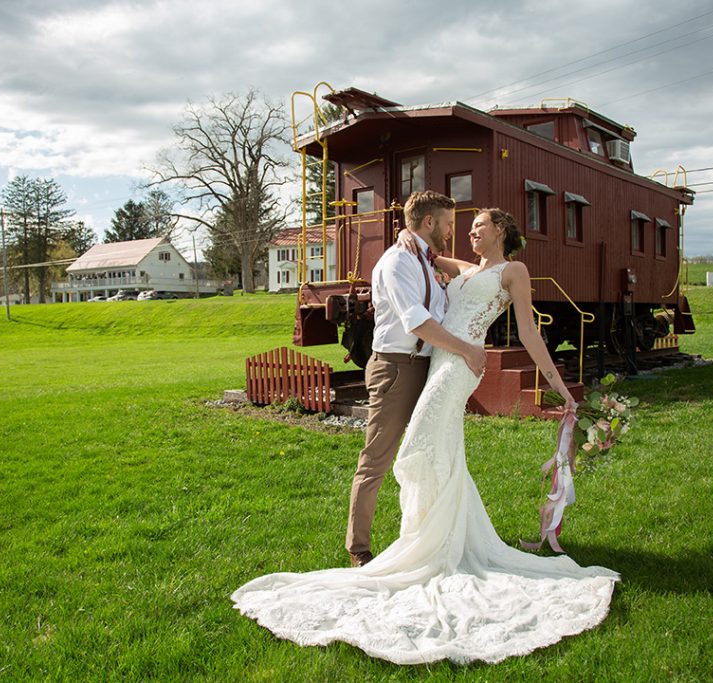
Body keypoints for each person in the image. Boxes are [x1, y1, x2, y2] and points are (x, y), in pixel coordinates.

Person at [232, 208, 619, 665]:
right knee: (440, 450)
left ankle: (429, 545)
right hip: (441, 359)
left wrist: (560, 388)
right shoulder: (465, 269)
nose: (471, 231)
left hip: (459, 365)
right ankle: (436, 538)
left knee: (416, 448)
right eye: (467, 226)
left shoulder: (514, 270)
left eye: (480, 226)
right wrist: (404, 238)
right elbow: (420, 247)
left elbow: (530, 333)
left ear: (502, 231)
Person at [344, 190, 486, 568]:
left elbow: (475, 275)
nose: (451, 232)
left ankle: (431, 538)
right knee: (377, 458)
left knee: (431, 453)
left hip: (427, 367)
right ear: (429, 223)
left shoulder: (425, 260)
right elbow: (418, 322)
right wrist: (466, 350)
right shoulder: (397, 263)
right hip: (396, 369)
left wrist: (433, 254)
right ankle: (359, 549)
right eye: (447, 225)